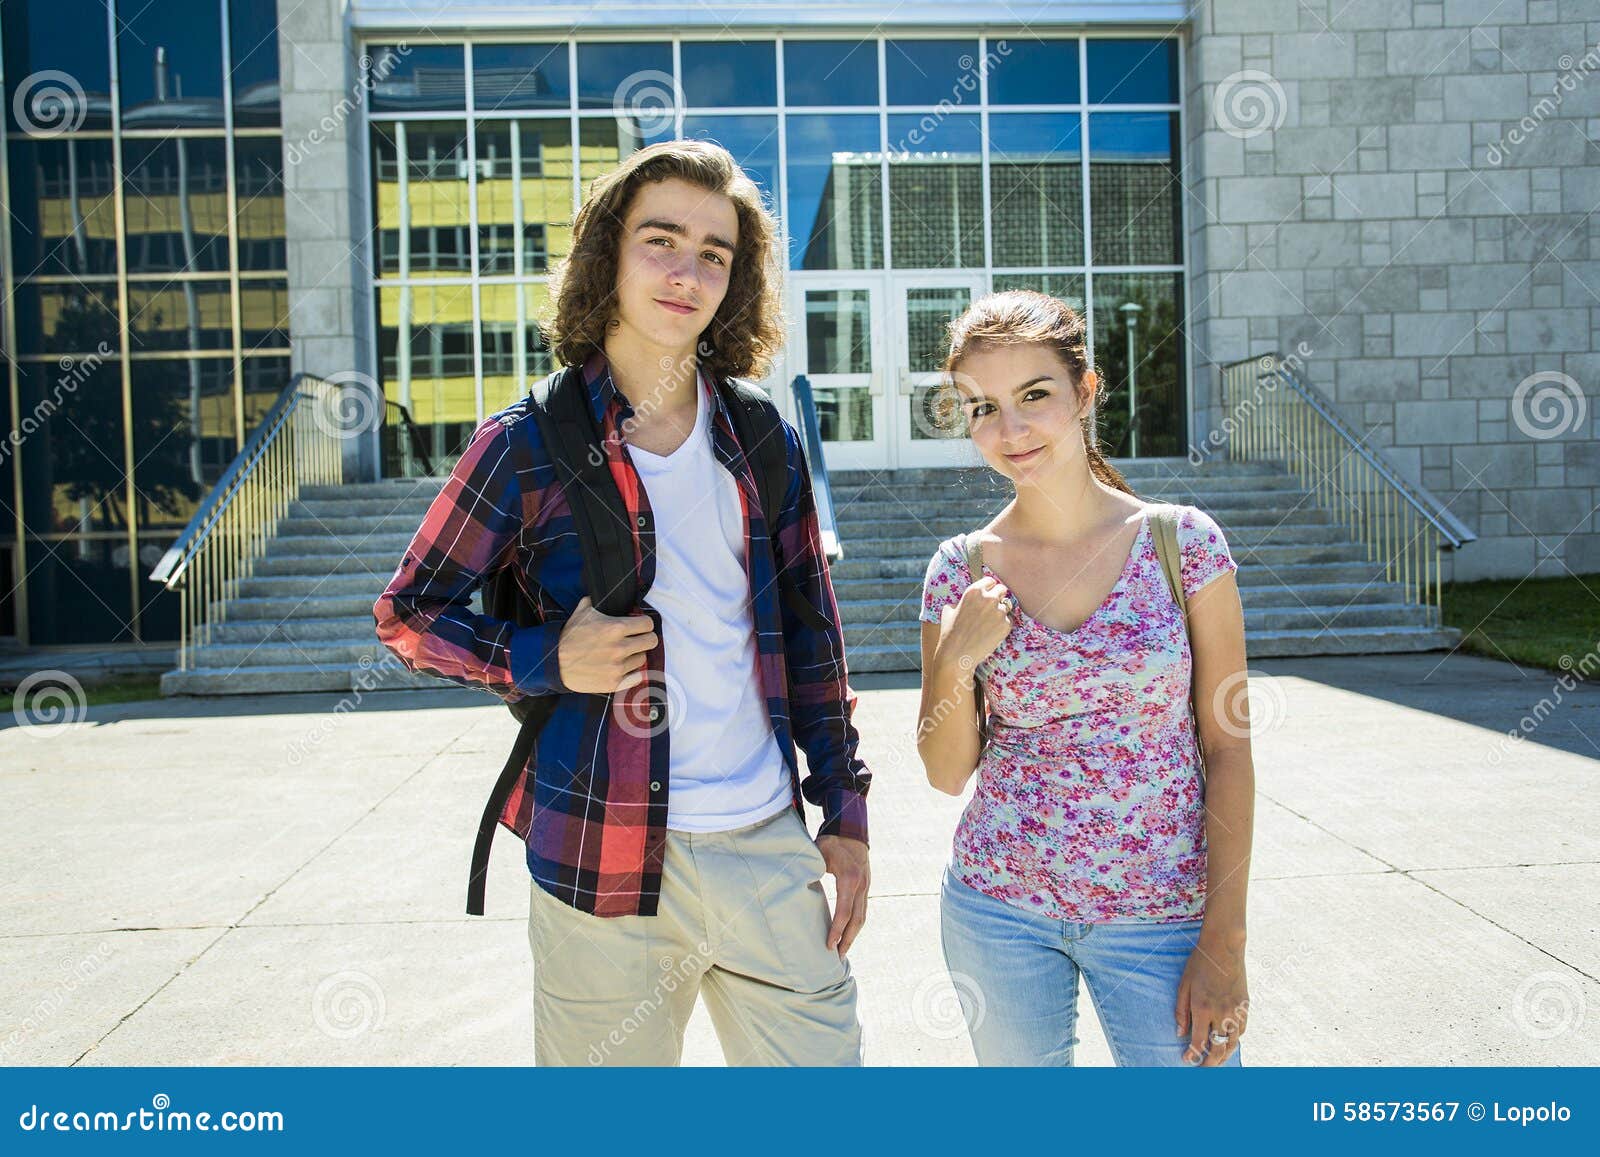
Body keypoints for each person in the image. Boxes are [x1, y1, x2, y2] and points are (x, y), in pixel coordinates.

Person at [373, 139, 871, 1067]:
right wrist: (546, 656)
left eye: (715, 254)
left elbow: (813, 636)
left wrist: (843, 812)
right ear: (608, 254)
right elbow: (408, 614)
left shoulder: (762, 433)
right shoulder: (526, 442)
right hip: (598, 860)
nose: (687, 272)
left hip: (766, 848)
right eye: (661, 240)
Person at [915, 289, 1254, 1067]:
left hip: (1166, 915)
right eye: (982, 407)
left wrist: (1225, 940)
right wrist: (958, 656)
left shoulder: (1184, 545)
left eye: (1034, 395)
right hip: (998, 911)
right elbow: (944, 771)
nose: (1011, 429)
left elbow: (1228, 749)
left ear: (1087, 390)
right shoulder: (958, 571)